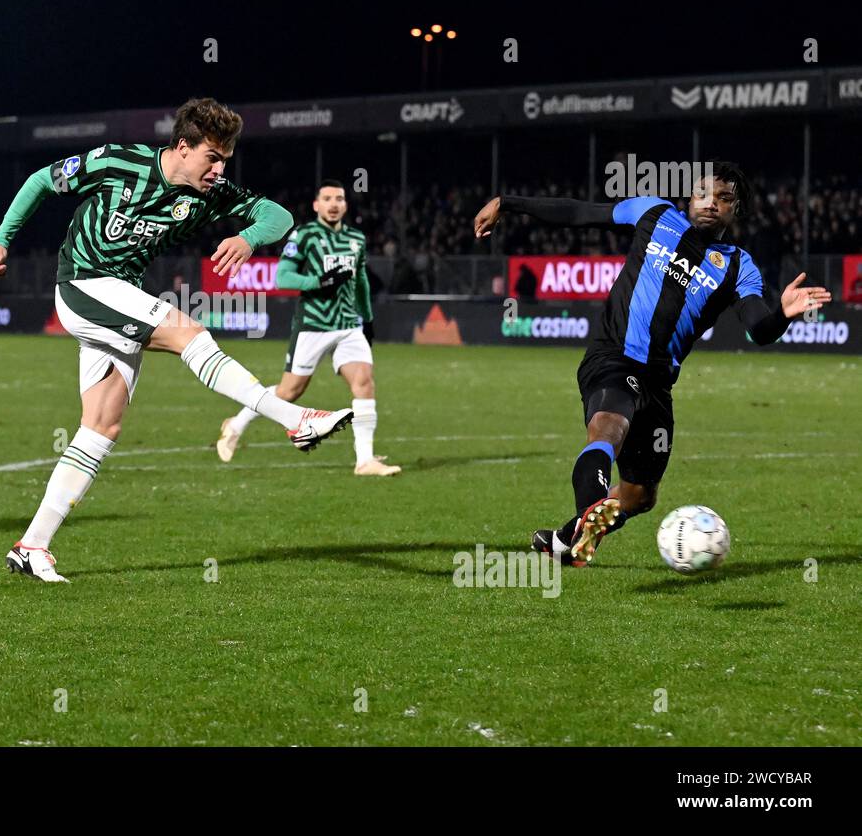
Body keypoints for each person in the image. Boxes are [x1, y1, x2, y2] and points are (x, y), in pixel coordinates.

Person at [0, 97, 353, 582]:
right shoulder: (118, 160)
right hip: (83, 284)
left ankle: (32, 545)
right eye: (212, 158)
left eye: (226, 159)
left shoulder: (209, 193)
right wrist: (2, 238)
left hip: (121, 296)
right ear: (183, 146)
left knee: (101, 427)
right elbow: (39, 182)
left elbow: (278, 216)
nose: (220, 169)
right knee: (191, 333)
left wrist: (248, 238)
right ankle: (294, 418)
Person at [472, 162, 831, 565]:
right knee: (609, 427)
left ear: (737, 209)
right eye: (703, 193)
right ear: (689, 196)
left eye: (724, 198)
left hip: (658, 383)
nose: (711, 203)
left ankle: (567, 538)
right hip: (614, 355)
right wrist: (508, 203)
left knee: (639, 496)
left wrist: (782, 313)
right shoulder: (654, 213)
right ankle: (591, 508)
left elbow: (760, 329)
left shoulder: (736, 266)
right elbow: (580, 212)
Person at [217, 179, 399, 476]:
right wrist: (319, 281)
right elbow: (283, 278)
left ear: (345, 204)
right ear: (316, 205)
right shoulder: (304, 235)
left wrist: (366, 319)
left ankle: (365, 460)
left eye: (339, 198)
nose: (333, 203)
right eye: (327, 198)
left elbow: (361, 281)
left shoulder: (356, 239)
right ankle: (236, 424)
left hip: (347, 325)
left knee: (364, 381)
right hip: (313, 325)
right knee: (290, 391)